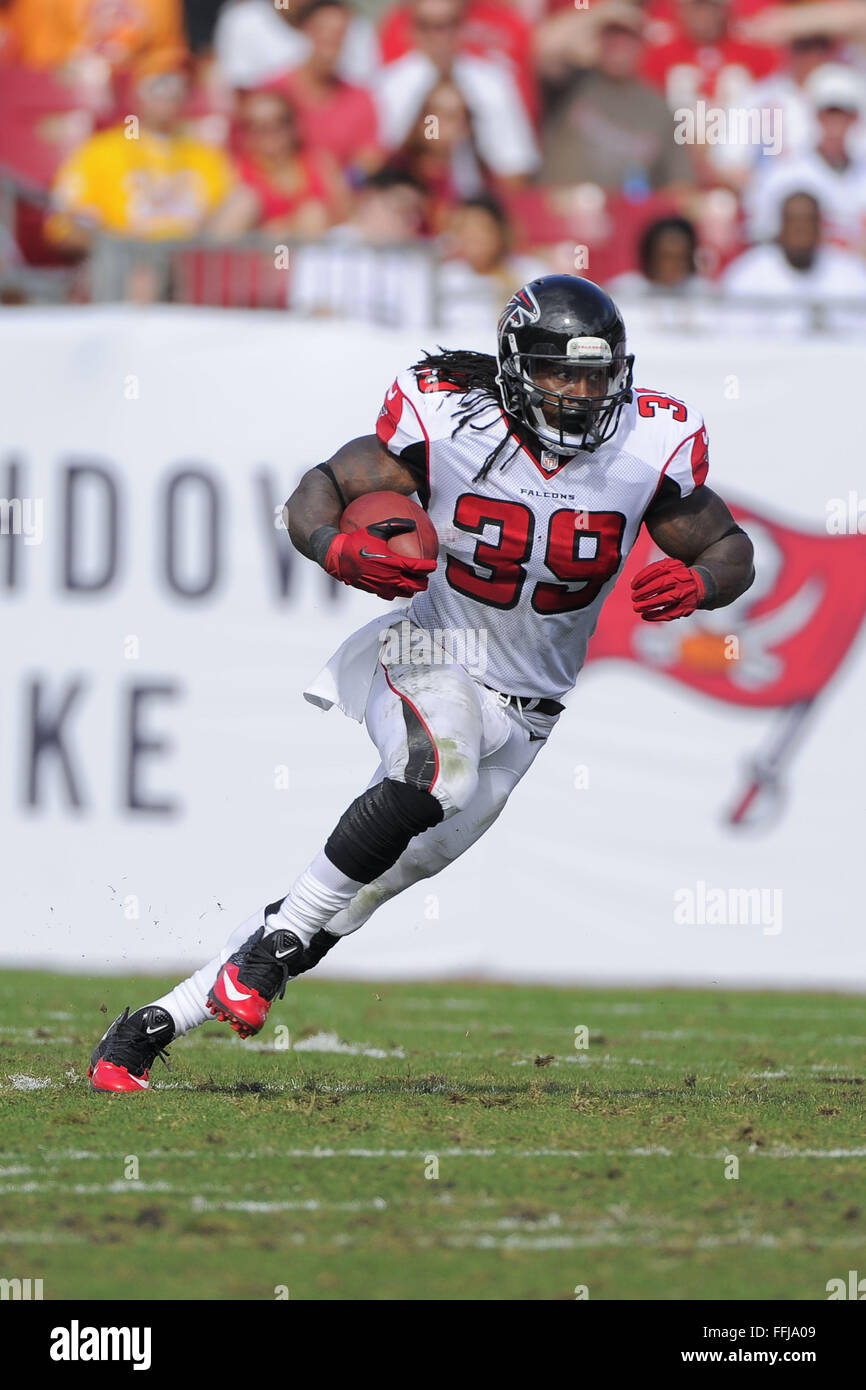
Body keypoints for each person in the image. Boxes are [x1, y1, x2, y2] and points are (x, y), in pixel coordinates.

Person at [86, 273, 755, 1091]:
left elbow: (728, 544)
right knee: (439, 771)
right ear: (515, 366)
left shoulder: (648, 443)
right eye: (560, 372)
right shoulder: (448, 415)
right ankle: (256, 963)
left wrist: (706, 584)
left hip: (534, 708)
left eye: (595, 375)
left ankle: (154, 1023)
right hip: (431, 647)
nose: (580, 394)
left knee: (360, 894)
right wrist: (335, 547)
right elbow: (319, 490)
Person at [46, 58, 246, 248]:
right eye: (160, 84)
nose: (170, 93)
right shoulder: (101, 151)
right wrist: (124, 248)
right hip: (123, 265)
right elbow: (63, 226)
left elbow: (233, 216)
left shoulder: (207, 154)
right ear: (136, 95)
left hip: (193, 263)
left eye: (180, 86)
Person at [538, 3, 695, 195]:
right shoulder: (571, 84)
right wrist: (603, 12)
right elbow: (547, 48)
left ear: (641, 46)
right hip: (556, 208)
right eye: (611, 38)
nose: (618, 47)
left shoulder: (660, 108)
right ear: (598, 42)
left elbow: (681, 183)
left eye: (626, 39)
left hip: (626, 217)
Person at [287, 166, 434, 325]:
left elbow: (420, 321)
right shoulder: (325, 248)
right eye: (400, 210)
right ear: (370, 199)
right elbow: (307, 309)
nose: (409, 221)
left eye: (415, 213)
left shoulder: (416, 260)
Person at [744, 62, 866, 249]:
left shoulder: (861, 171)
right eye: (828, 114)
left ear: (855, 118)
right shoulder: (786, 172)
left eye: (843, 114)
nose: (835, 123)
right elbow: (761, 232)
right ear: (816, 116)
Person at [722, 188, 866, 330]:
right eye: (793, 222)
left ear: (819, 228)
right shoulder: (749, 274)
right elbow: (734, 336)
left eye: (808, 221)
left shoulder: (850, 273)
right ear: (780, 228)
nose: (801, 231)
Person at [273, 0, 383, 180]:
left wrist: (345, 181)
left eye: (339, 33)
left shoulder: (361, 99)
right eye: (323, 31)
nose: (331, 40)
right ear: (306, 30)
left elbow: (369, 158)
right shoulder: (275, 90)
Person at [231, 87, 348, 236]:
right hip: (264, 254)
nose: (269, 131)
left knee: (313, 214)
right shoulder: (236, 171)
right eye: (257, 125)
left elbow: (345, 216)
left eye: (279, 121)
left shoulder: (320, 163)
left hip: (314, 248)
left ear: (294, 124)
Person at [436, 194, 548, 325]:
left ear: (500, 231)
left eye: (481, 229)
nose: (473, 237)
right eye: (464, 229)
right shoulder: (444, 277)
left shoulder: (530, 274)